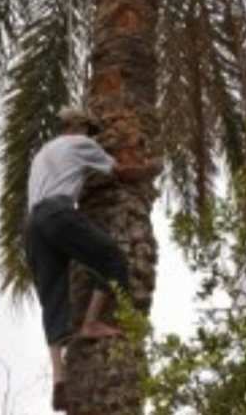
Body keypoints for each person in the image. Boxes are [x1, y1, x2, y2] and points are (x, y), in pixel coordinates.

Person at [24, 106, 160, 411]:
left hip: (33, 226)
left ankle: (59, 378)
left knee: (53, 298)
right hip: (58, 213)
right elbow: (122, 173)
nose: (93, 137)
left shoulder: (43, 153)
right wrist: (151, 169)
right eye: (91, 131)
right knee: (113, 260)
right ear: (81, 127)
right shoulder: (82, 143)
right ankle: (91, 323)